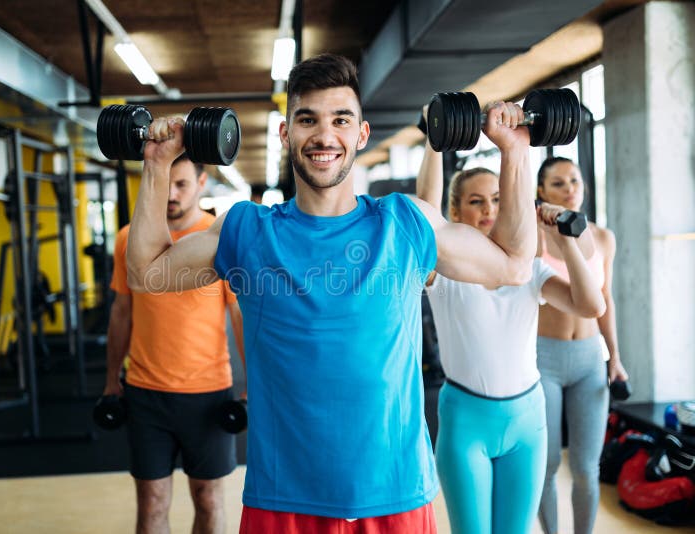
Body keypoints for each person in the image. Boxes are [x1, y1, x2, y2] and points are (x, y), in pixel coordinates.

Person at [126, 53, 537, 533]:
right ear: (285, 134)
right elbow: (146, 273)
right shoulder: (247, 230)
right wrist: (156, 166)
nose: (324, 136)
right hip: (283, 501)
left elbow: (513, 264)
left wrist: (515, 152)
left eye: (341, 120)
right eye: (308, 120)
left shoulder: (405, 223)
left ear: (361, 134)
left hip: (394, 495)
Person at [416, 143, 605, 534]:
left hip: (527, 422)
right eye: (476, 201)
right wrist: (434, 144)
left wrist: (565, 238)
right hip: (466, 422)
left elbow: (591, 306)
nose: (489, 209)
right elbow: (425, 214)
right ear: (455, 212)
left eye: (498, 199)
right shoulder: (443, 271)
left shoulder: (529, 271)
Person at [104, 152, 245, 534]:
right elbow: (121, 312)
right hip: (146, 392)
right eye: (165, 183)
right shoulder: (128, 239)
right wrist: (110, 380)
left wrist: (250, 387)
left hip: (209, 391)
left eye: (181, 183)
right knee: (151, 503)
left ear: (201, 183)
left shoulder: (221, 240)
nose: (171, 193)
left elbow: (239, 316)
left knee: (209, 498)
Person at [535, 156, 628, 534]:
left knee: (587, 468)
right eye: (557, 183)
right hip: (543, 359)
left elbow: (605, 300)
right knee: (547, 465)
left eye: (574, 180)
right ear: (541, 192)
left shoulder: (604, 238)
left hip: (589, 359)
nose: (569, 189)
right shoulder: (536, 237)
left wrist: (615, 358)